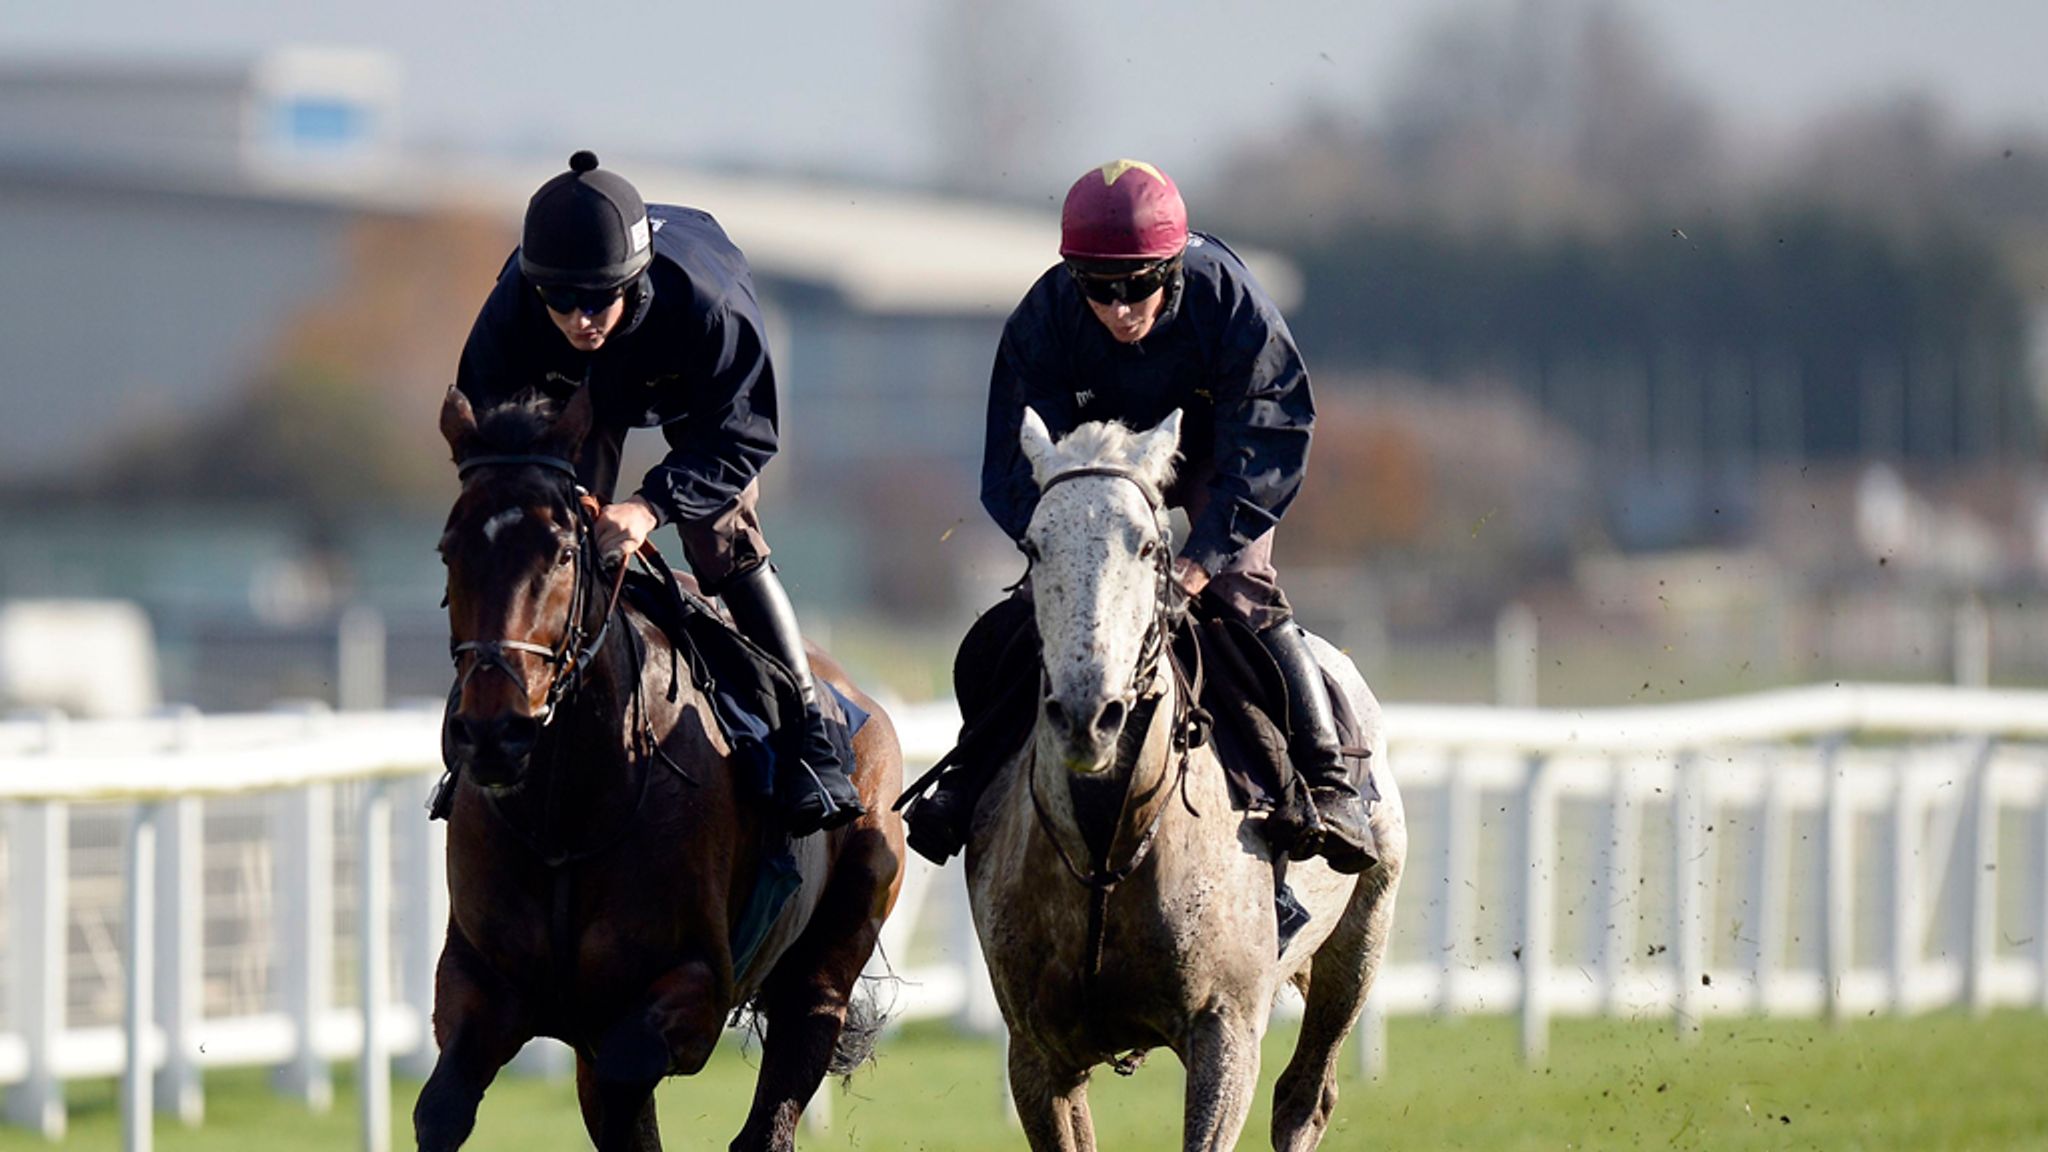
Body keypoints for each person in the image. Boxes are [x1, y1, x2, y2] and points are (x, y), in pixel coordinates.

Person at [906, 158, 1374, 873]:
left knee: (1239, 594)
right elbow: (1013, 458)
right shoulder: (1045, 316)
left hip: (1220, 454)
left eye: (1139, 287)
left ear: (1172, 269)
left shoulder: (1227, 299)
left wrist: (1201, 558)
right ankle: (969, 777)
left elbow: (1274, 431)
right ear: (1073, 276)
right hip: (1099, 464)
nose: (1121, 309)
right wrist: (1066, 556)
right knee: (1039, 609)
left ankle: (1329, 782)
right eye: (1099, 290)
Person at [452, 150, 863, 836]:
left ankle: (806, 729)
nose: (582, 320)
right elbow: (490, 448)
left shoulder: (709, 305)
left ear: (631, 281)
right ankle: (480, 717)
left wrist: (647, 508)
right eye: (562, 302)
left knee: (718, 530)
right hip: (576, 397)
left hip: (690, 383)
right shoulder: (513, 310)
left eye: (597, 301)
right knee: (532, 538)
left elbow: (743, 439)